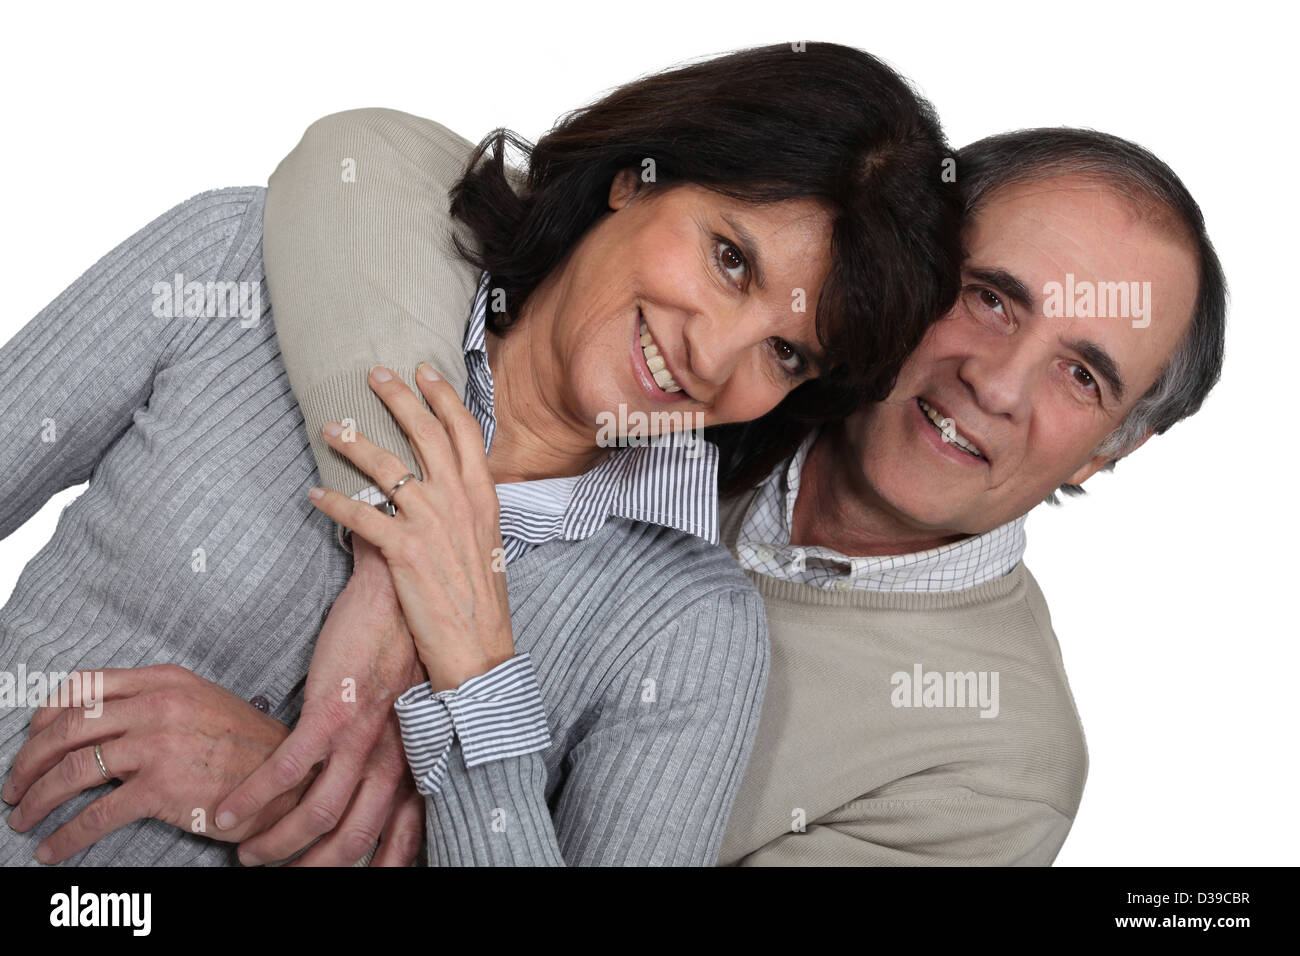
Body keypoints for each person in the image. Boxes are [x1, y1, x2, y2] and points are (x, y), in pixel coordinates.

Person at [0, 43, 962, 865]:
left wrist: (468, 671)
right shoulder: (236, 268)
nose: (712, 356)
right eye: (730, 258)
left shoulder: (692, 628)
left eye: (786, 353)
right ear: (640, 176)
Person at [255, 124, 1224, 866]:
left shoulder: (991, 773)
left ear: (1113, 450)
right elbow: (373, 157)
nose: (999, 382)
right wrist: (402, 544)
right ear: (894, 264)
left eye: (1082, 376)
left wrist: (276, 781)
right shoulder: (695, 357)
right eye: (989, 295)